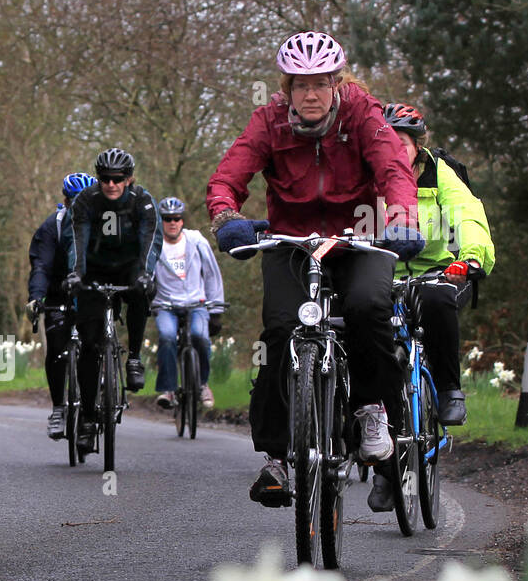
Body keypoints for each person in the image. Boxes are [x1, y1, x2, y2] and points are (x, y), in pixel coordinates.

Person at [206, 31, 424, 507]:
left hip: (359, 238)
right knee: (281, 330)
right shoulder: (268, 121)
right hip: (294, 243)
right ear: (285, 87)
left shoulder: (363, 113)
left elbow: (394, 169)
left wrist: (404, 218)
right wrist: (226, 216)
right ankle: (276, 458)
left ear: (336, 82)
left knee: (369, 308)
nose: (310, 94)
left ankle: (371, 411)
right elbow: (229, 175)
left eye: (320, 83)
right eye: (300, 84)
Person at [367, 102, 495, 512]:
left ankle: (447, 389)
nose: (393, 149)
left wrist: (471, 256)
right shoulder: (367, 175)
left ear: (418, 146)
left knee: (438, 300)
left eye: (400, 142)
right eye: (385, 141)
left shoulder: (440, 175)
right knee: (366, 336)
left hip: (437, 271)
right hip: (381, 273)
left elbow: (468, 214)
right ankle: (385, 465)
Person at [66, 147, 161, 456]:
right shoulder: (86, 201)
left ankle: (133, 357)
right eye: (105, 179)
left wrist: (146, 274)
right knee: (90, 345)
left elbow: (151, 239)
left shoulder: (142, 201)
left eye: (117, 179)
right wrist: (75, 274)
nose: (110, 185)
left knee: (140, 292)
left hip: (130, 266)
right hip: (93, 269)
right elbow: (77, 240)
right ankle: (89, 419)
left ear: (129, 179)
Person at [27, 172, 95, 439]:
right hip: (59, 294)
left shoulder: (105, 224)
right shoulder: (51, 227)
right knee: (55, 347)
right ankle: (58, 407)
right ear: (65, 201)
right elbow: (41, 266)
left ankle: (99, 396)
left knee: (96, 344)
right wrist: (37, 297)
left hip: (92, 292)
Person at [151, 197, 224, 410]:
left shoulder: (196, 241)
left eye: (176, 218)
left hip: (197, 303)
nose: (172, 223)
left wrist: (216, 309)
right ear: (161, 221)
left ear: (182, 221)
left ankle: (202, 384)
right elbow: (146, 276)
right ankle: (169, 390)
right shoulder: (154, 245)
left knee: (201, 337)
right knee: (166, 337)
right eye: (167, 219)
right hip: (165, 304)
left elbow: (211, 274)